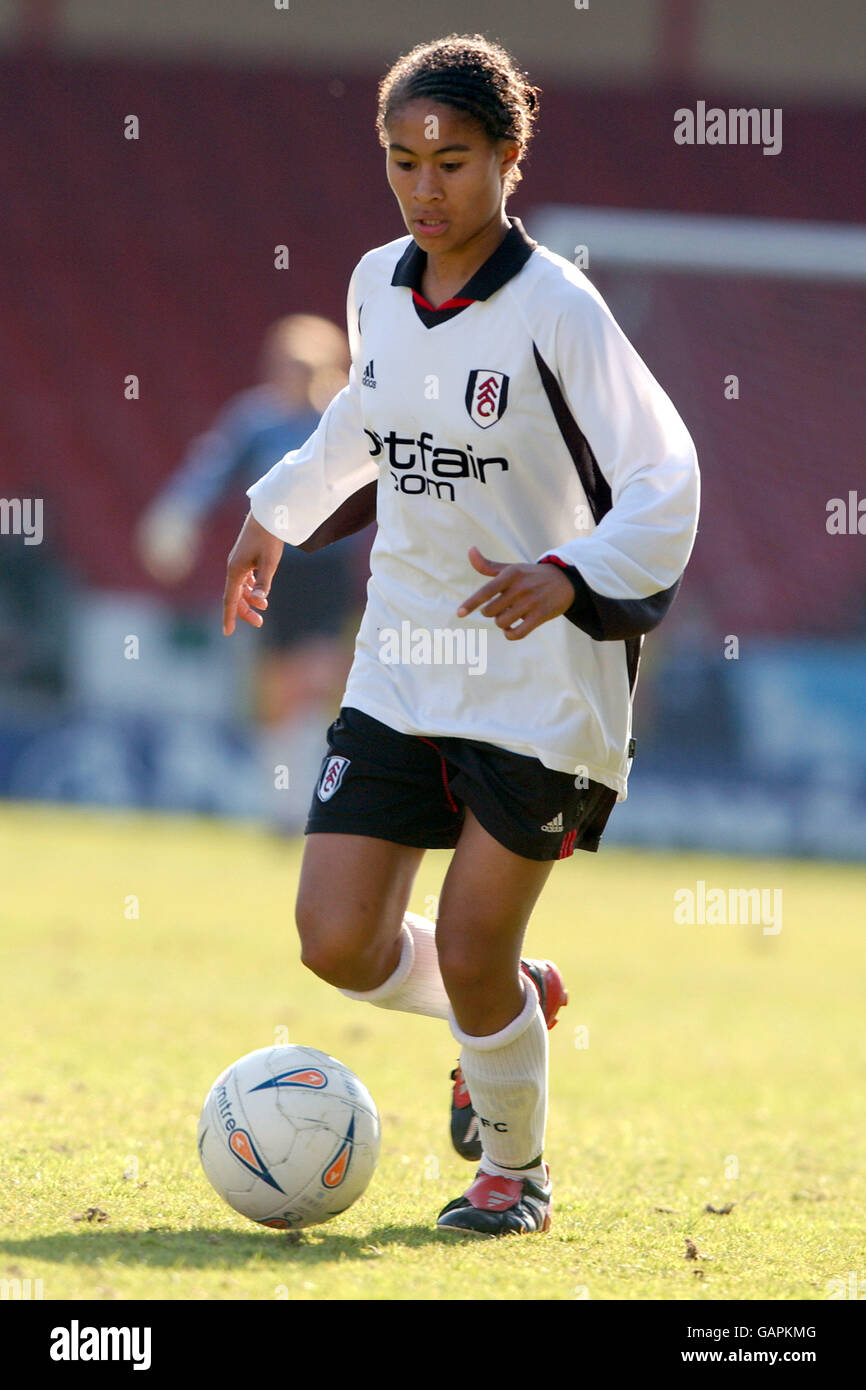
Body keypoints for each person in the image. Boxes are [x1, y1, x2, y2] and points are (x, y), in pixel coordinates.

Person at [222, 32, 700, 1236]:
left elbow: (665, 472)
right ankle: (512, 1005)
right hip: (403, 656)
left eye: (451, 161)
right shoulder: (376, 280)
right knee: (333, 939)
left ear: (507, 157)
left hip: (543, 678)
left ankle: (512, 1174)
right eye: (401, 162)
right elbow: (362, 422)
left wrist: (572, 572)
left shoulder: (557, 308)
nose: (424, 189)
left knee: (477, 949)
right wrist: (270, 515)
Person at [137, 316, 366, 830]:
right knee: (278, 689)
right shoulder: (256, 420)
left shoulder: (342, 416)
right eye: (287, 366)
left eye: (305, 367)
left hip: (326, 570)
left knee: (318, 676)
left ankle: (314, 796)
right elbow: (210, 471)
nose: (295, 377)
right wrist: (176, 516)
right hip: (272, 572)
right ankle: (283, 806)